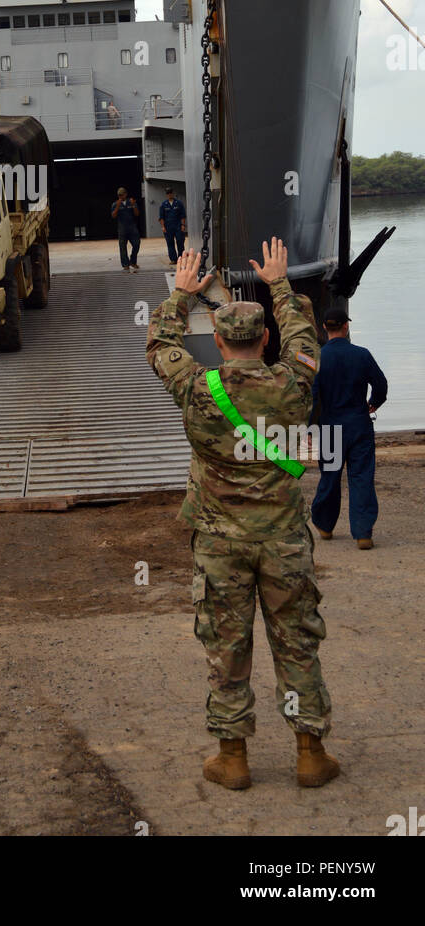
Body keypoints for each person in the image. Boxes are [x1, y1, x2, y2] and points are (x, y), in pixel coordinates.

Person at [146, 239, 338, 791]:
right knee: (296, 642)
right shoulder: (293, 382)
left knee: (226, 647)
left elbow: (160, 344)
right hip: (283, 540)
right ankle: (309, 753)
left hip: (220, 543)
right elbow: (305, 338)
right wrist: (280, 285)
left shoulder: (196, 387)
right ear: (265, 339)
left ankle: (232, 758)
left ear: (219, 341)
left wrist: (181, 294)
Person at [311, 307, 387, 550]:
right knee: (361, 477)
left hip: (330, 426)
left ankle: (325, 525)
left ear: (324, 327)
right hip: (358, 424)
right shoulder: (362, 355)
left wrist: (310, 427)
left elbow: (313, 397)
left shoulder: (318, 358)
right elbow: (381, 384)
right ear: (346, 326)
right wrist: (374, 403)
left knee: (330, 476)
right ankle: (363, 533)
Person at [111, 187, 140, 272]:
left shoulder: (131, 202)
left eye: (122, 195)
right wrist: (117, 206)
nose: (120, 196)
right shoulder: (115, 204)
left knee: (137, 244)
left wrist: (134, 205)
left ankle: (133, 261)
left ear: (126, 194)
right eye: (119, 195)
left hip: (132, 228)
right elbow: (113, 216)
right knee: (123, 247)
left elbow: (137, 214)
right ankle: (125, 264)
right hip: (122, 229)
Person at [158, 186, 187, 263]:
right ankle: (173, 259)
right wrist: (163, 227)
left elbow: (183, 215)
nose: (169, 194)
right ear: (166, 194)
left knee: (180, 242)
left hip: (178, 226)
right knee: (170, 243)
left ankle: (181, 258)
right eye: (168, 193)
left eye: (170, 193)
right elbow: (161, 217)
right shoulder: (163, 204)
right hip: (168, 227)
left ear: (173, 193)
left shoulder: (179, 203)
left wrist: (183, 225)